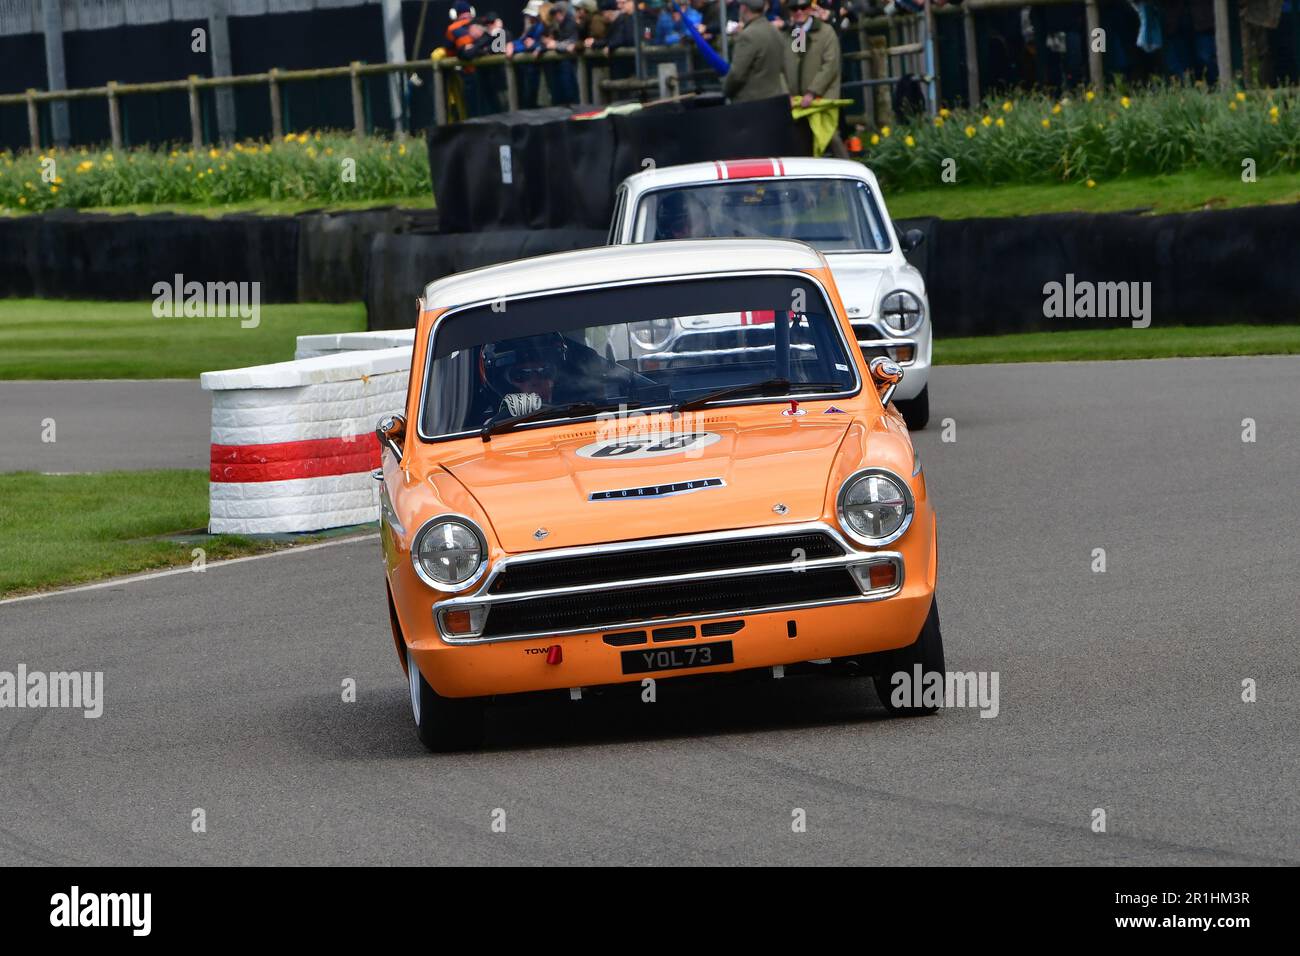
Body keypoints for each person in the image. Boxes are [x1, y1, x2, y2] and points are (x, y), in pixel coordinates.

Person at [723, 0, 789, 101]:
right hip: (775, 99)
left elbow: (737, 75)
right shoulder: (775, 31)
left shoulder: (747, 36)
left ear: (744, 8)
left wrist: (726, 91)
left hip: (753, 102)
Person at [543, 1, 582, 103]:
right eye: (554, 14)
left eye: (557, 13)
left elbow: (571, 43)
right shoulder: (557, 26)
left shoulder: (570, 23)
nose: (556, 16)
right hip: (560, 61)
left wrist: (555, 45)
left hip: (571, 61)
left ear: (563, 12)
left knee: (570, 88)